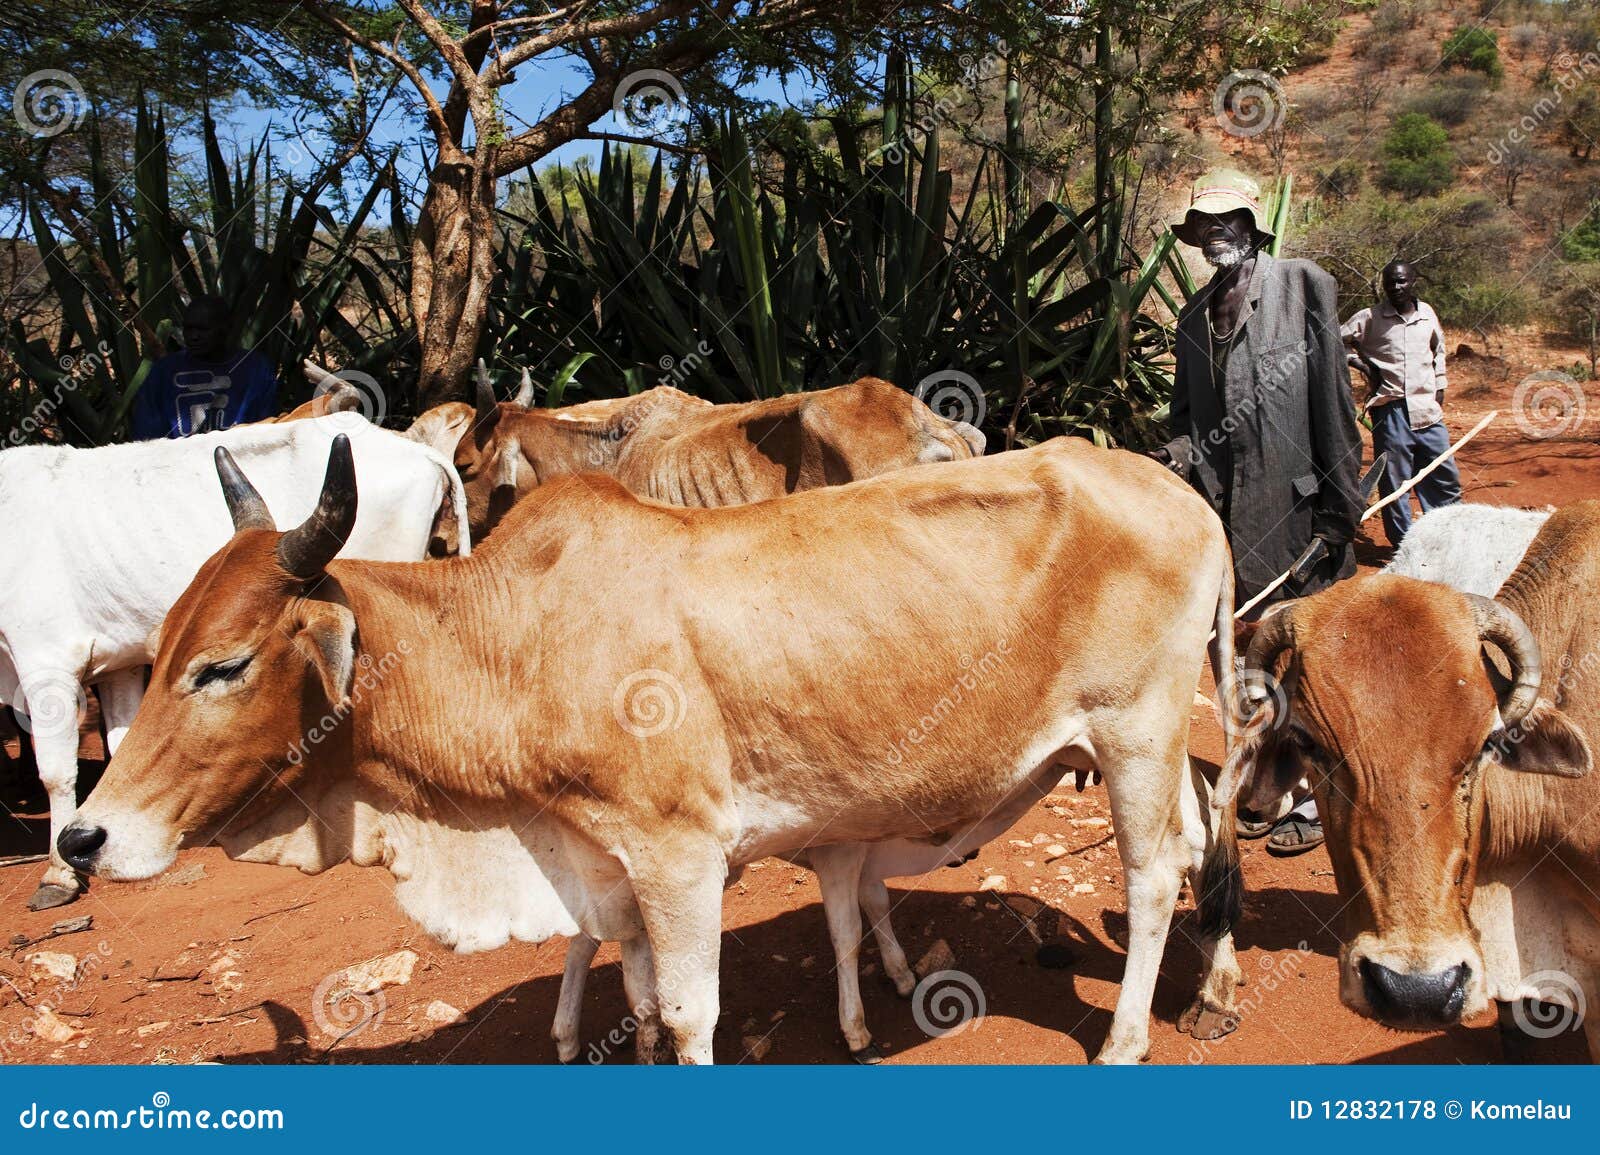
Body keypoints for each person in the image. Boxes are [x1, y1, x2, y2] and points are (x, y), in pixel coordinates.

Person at [1154, 168, 1365, 857]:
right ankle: (1263, 788)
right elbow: (1186, 418)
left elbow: (1334, 403)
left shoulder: (1302, 287)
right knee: (1243, 654)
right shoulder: (1192, 317)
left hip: (1297, 508)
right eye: (1204, 226)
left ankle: (1309, 796)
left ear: (1251, 225)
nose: (1216, 234)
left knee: (1304, 660)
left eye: (1227, 221)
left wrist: (1341, 506)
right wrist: (1174, 459)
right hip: (1222, 519)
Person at [1341, 260, 1460, 547]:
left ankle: (1447, 539)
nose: (1396, 287)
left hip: (1428, 410)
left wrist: (1439, 389)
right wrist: (1362, 365)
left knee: (1443, 475)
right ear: (1383, 284)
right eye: (1390, 282)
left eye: (1402, 281)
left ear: (1413, 281)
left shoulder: (1427, 313)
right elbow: (1333, 339)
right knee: (1395, 482)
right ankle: (1406, 545)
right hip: (1391, 409)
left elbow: (1438, 351)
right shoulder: (1369, 317)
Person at [129, 295, 280, 439]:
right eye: (189, 329)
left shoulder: (255, 369)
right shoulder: (164, 372)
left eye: (203, 329)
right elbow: (147, 436)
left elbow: (266, 428)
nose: (194, 336)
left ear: (225, 328)